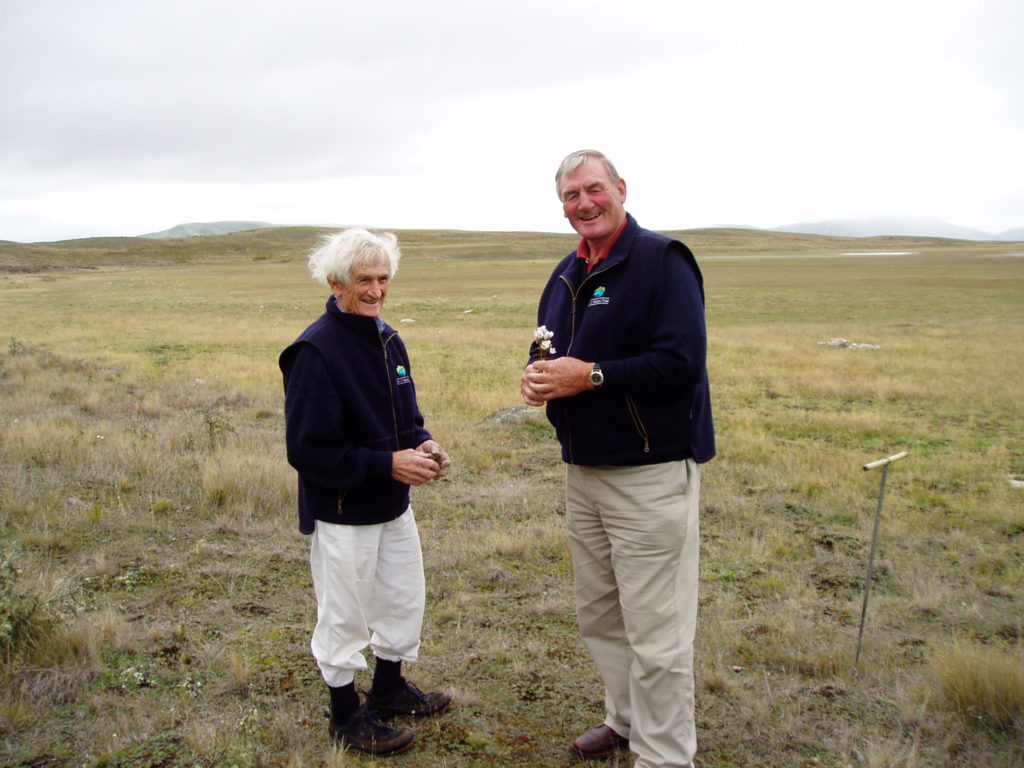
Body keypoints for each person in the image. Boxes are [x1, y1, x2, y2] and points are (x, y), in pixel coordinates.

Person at [521, 150, 715, 768]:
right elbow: (552, 353)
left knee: (656, 628)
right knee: (601, 614)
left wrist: (593, 376)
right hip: (585, 472)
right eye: (571, 195)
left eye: (594, 189)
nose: (584, 203)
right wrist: (539, 379)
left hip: (650, 473)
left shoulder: (662, 261)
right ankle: (625, 720)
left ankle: (664, 756)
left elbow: (682, 363)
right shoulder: (564, 274)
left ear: (621, 189)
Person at [280, 228, 452, 756]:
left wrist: (424, 445)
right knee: (345, 611)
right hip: (343, 510)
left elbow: (407, 419)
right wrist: (387, 464)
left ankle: (389, 689)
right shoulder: (315, 352)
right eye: (364, 281)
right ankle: (345, 715)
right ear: (335, 283)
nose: (376, 290)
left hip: (391, 503)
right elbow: (308, 452)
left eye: (383, 279)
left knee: (402, 596)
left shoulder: (387, 338)